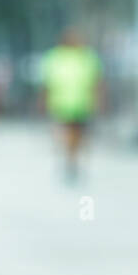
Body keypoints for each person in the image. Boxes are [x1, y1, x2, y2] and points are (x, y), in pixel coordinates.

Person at [40, 27, 102, 182]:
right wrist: (43, 101)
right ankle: (69, 160)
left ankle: (73, 160)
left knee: (79, 135)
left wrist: (98, 100)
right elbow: (46, 83)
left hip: (81, 103)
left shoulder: (87, 57)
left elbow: (97, 82)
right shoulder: (54, 57)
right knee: (66, 134)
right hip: (61, 103)